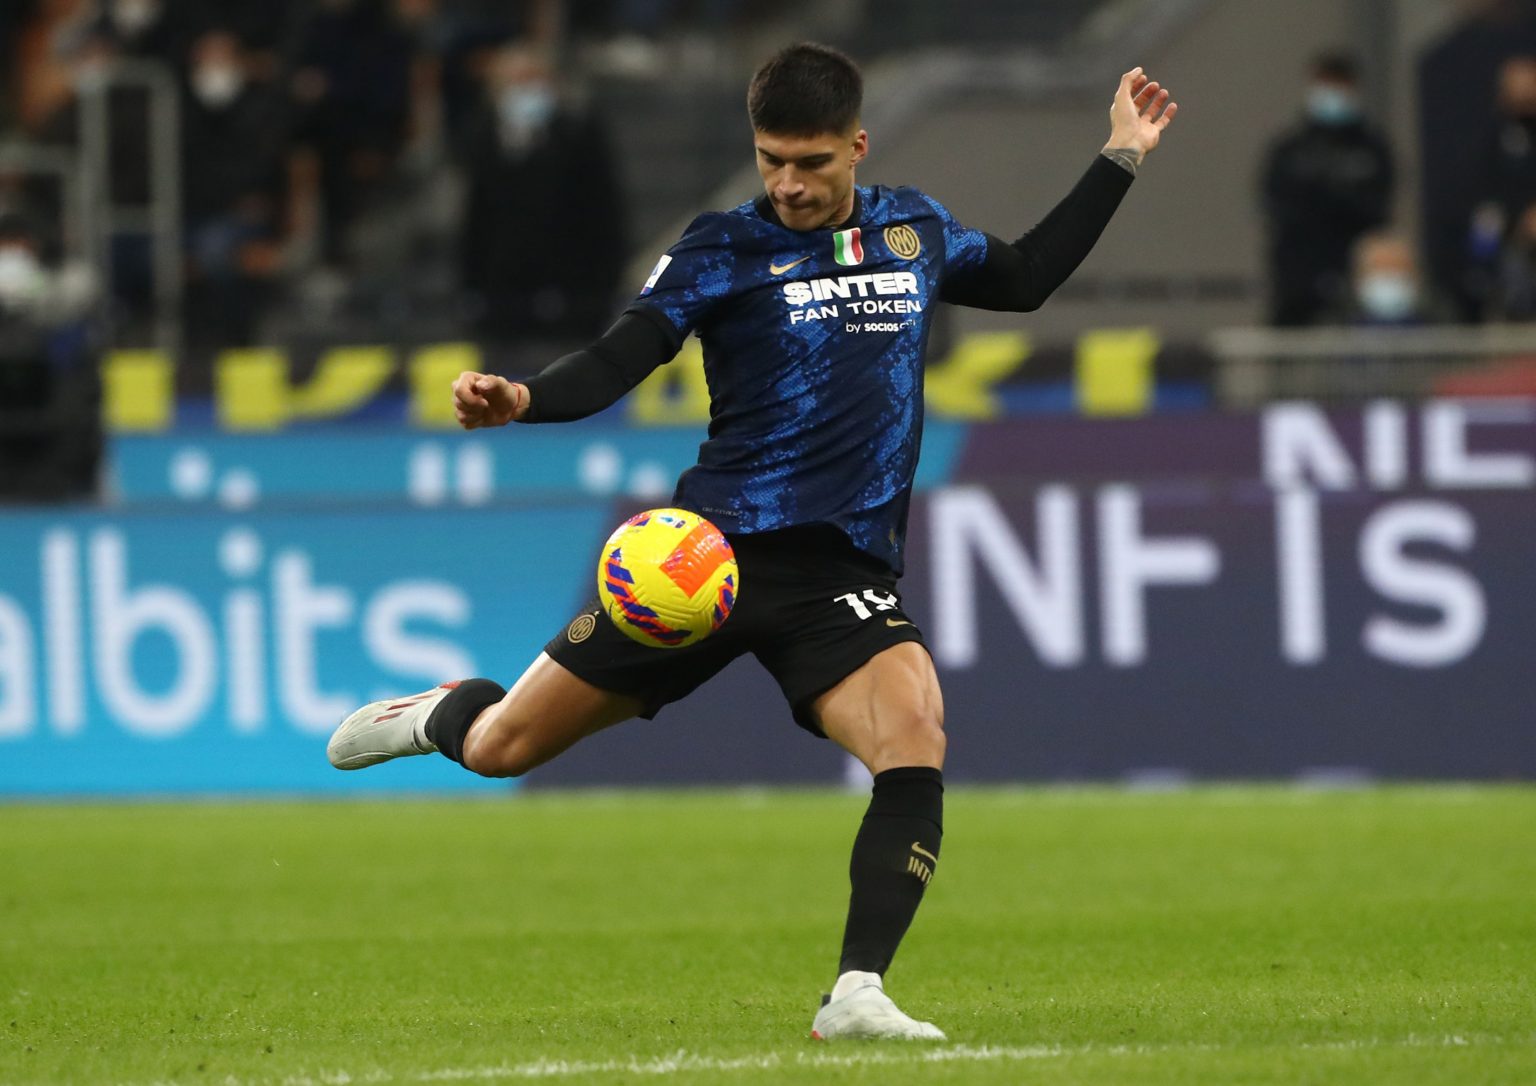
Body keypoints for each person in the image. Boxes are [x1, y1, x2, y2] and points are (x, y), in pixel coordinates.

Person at [327, 42, 1176, 1041]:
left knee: (914, 732)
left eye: (812, 162)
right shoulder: (721, 246)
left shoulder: (914, 229)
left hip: (839, 572)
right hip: (702, 564)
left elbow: (1027, 278)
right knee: (505, 746)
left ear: (856, 147)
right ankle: (440, 717)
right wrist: (523, 398)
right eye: (773, 159)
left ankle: (857, 991)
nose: (789, 183)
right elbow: (622, 355)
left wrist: (1119, 153)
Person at [1260, 52, 1394, 326]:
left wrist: (1340, 197)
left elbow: (1380, 208)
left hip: (1356, 268)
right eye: (1325, 84)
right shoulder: (1291, 149)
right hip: (1298, 271)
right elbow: (1273, 203)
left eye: (1339, 85)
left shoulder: (1373, 149)